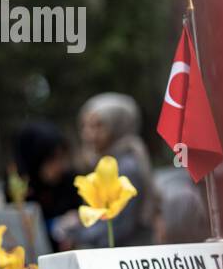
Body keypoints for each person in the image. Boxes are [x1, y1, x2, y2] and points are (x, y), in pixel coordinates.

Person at [53, 92, 156, 249]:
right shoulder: (109, 160)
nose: (88, 134)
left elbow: (118, 227)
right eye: (85, 126)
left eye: (98, 126)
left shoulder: (127, 166)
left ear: (118, 126)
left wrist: (76, 232)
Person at [8, 121, 79, 249]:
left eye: (61, 157)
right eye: (52, 159)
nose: (59, 166)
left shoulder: (69, 182)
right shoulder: (17, 187)